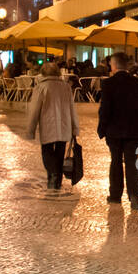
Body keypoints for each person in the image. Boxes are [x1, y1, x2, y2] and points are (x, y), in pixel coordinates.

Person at [97, 51, 138, 209]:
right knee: (132, 163)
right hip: (134, 131)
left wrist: (102, 129)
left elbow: (105, 109)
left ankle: (115, 195)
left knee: (116, 162)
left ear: (113, 65)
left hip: (114, 131)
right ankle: (134, 196)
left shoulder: (108, 84)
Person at [25, 59, 80, 193]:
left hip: (48, 124)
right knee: (60, 153)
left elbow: (34, 110)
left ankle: (53, 175)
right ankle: (57, 180)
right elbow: (72, 108)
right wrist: (74, 127)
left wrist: (30, 130)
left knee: (47, 151)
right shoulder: (66, 86)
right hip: (64, 125)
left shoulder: (41, 87)